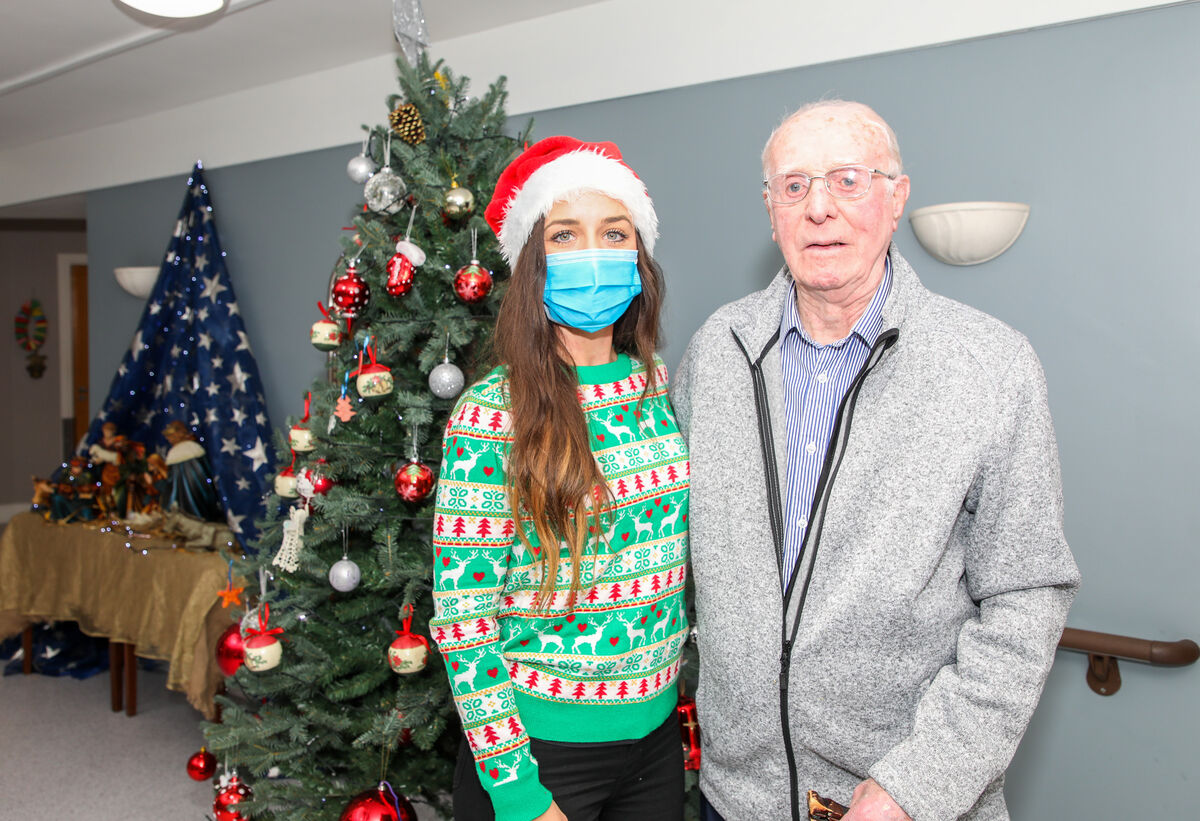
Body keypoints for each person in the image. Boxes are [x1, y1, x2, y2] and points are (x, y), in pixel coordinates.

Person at [672, 101, 1080, 821]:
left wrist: (914, 786)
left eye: (848, 180)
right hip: (733, 801)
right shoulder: (715, 351)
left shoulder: (989, 364)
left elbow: (1026, 594)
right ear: (771, 212)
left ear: (897, 198)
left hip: (909, 802)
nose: (819, 207)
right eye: (794, 187)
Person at [430, 136, 691, 821]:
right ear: (535, 264)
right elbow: (463, 617)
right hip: (538, 750)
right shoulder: (490, 412)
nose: (594, 254)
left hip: (656, 742)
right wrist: (516, 788)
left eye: (614, 233)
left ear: (640, 255)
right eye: (566, 235)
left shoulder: (665, 387)